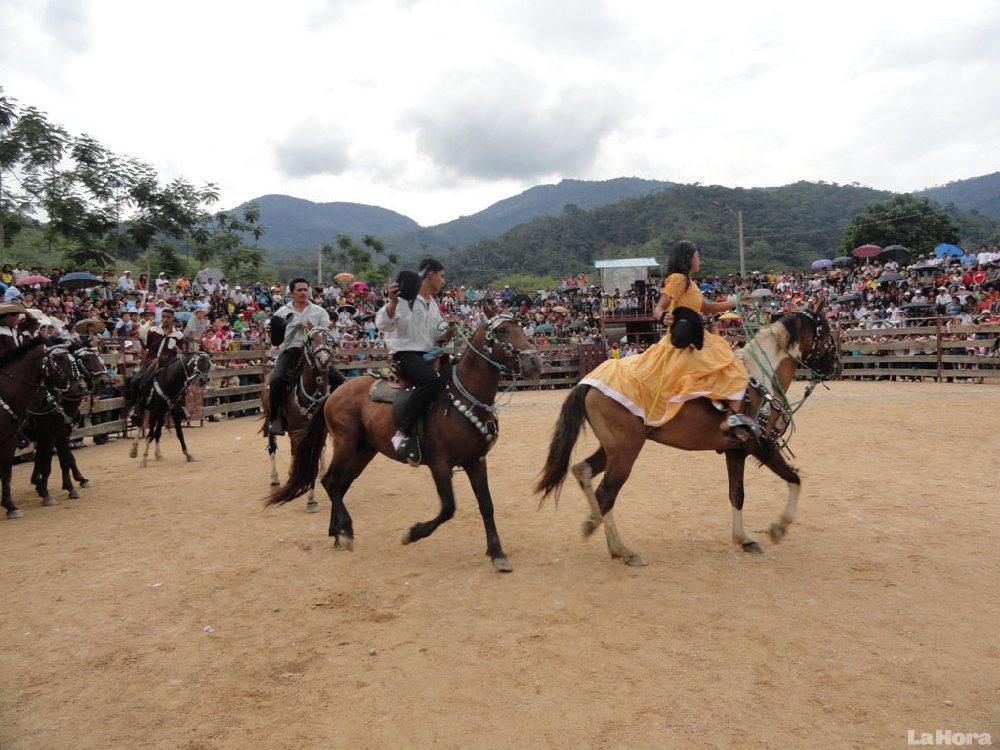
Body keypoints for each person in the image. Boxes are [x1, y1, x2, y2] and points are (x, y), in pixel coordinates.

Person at [580, 241, 757, 438]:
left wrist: (738, 301)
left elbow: (707, 307)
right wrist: (663, 317)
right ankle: (731, 418)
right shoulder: (679, 279)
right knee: (732, 369)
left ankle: (726, 415)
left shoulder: (691, 284)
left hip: (697, 337)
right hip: (684, 337)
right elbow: (659, 308)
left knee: (725, 366)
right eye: (697, 255)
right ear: (688, 258)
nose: (699, 259)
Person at [375, 257, 457, 463]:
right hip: (405, 354)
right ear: (431, 275)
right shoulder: (405, 299)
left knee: (456, 372)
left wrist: (450, 330)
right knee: (430, 381)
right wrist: (393, 301)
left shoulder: (432, 304)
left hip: (428, 355)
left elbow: (438, 337)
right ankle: (402, 432)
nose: (443, 281)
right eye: (442, 276)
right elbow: (384, 324)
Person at [267, 277, 331, 436]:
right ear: (291, 293)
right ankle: (275, 418)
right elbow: (275, 338)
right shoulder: (282, 313)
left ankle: (338, 415)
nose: (303, 293)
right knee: (276, 379)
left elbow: (325, 333)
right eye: (299, 290)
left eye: (305, 290)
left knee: (339, 379)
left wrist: (312, 328)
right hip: (291, 351)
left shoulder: (319, 311)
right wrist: (271, 332)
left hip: (313, 352)